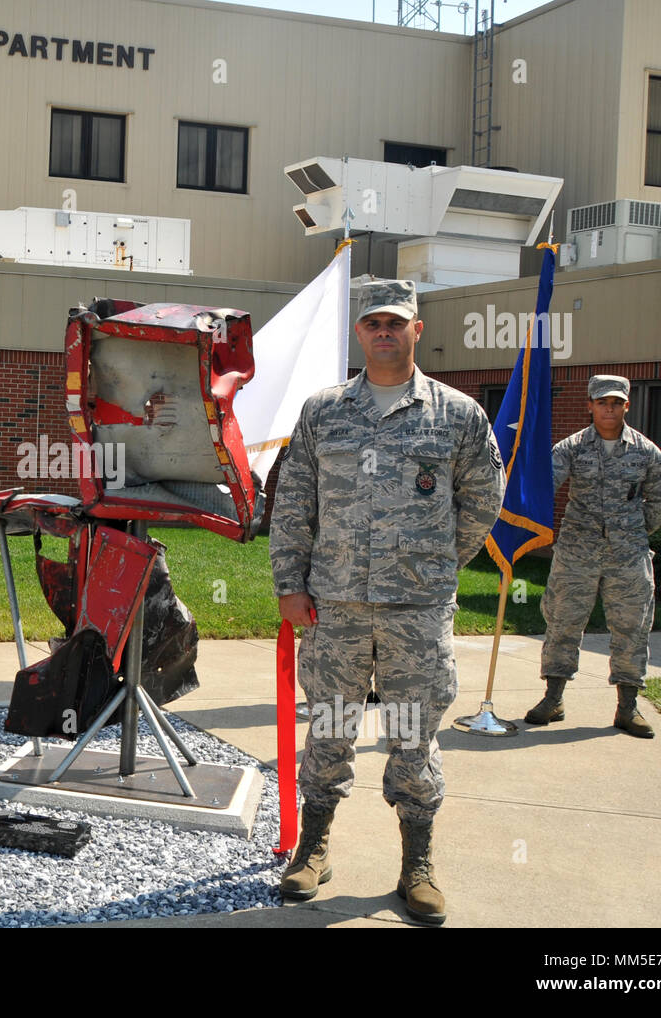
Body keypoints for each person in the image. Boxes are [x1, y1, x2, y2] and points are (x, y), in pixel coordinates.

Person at [269, 279, 505, 925]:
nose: (383, 331)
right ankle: (312, 849)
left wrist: (433, 563)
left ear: (415, 330)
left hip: (417, 611)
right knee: (332, 726)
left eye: (394, 322)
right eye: (372, 321)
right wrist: (290, 584)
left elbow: (484, 498)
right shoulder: (323, 411)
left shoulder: (456, 414)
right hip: (334, 608)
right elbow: (293, 503)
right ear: (359, 332)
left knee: (414, 730)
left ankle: (417, 865)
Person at [526, 375, 661, 737]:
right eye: (602, 402)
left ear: (627, 406)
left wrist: (633, 533)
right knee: (562, 623)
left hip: (628, 556)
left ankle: (628, 708)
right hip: (576, 553)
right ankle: (554, 699)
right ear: (590, 406)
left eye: (616, 402)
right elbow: (544, 486)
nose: (609, 408)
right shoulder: (571, 448)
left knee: (632, 629)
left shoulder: (646, 451)